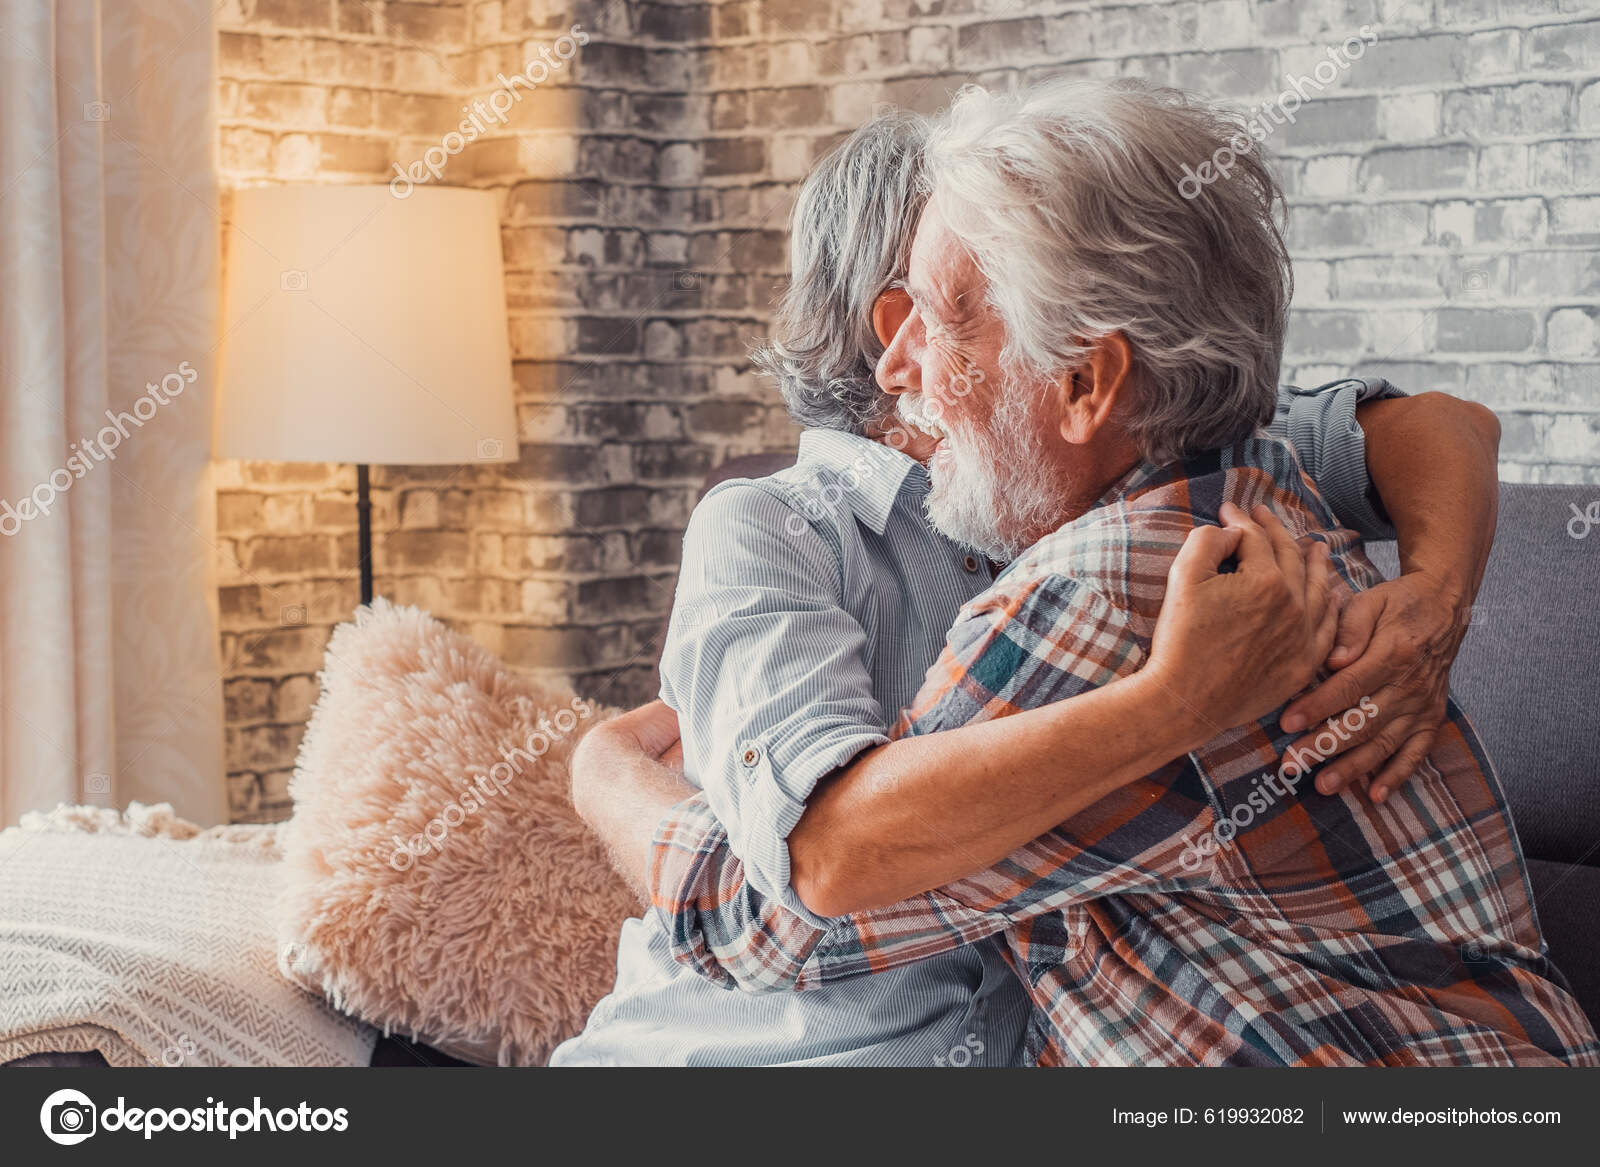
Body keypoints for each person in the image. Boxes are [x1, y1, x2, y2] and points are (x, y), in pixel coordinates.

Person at [643, 80, 1598, 1066]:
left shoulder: (1092, 597)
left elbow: (770, 911)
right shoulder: (1254, 477)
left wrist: (598, 775)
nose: (898, 365)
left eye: (931, 313)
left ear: (1085, 384)